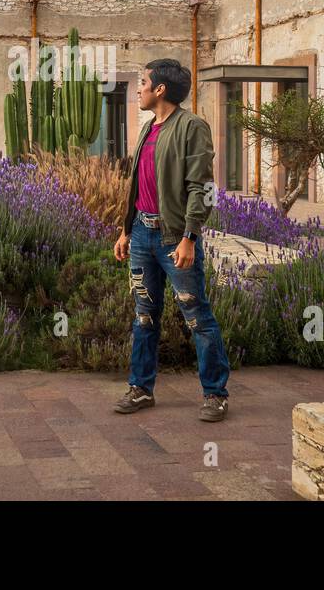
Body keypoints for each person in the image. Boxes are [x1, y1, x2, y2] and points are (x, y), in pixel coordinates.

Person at [112, 58, 230, 421]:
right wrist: (125, 230)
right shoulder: (149, 128)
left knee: (197, 315)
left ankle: (216, 394)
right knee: (144, 316)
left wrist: (190, 237)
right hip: (142, 236)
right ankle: (141, 388)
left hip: (173, 237)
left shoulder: (191, 127)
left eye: (144, 83)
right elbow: (137, 185)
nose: (141, 91)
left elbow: (203, 187)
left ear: (160, 89)